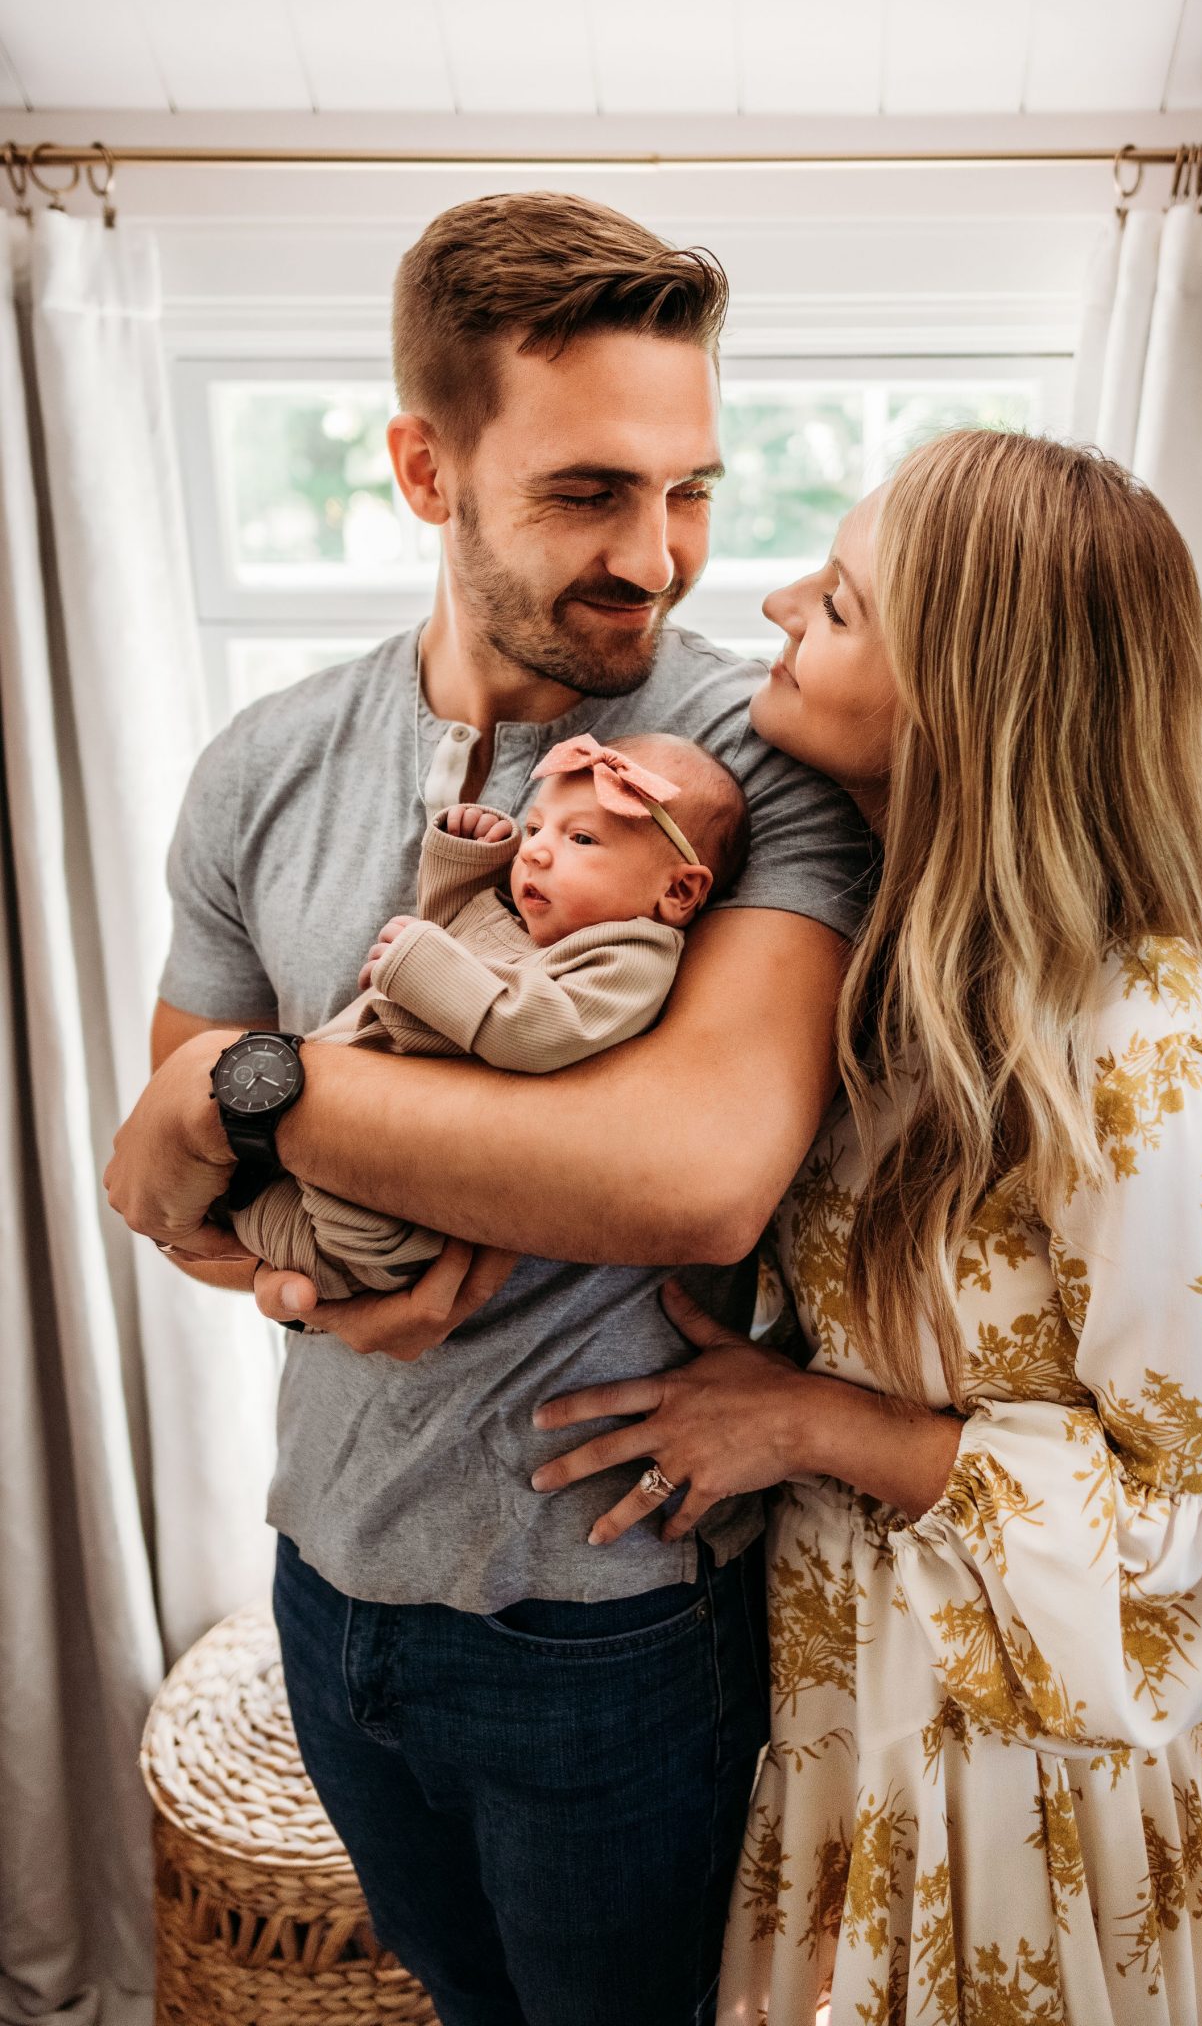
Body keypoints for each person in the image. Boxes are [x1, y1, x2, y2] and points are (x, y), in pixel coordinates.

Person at [104, 191, 870, 2026]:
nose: (657, 557)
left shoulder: (755, 764)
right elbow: (162, 1185)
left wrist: (256, 1083)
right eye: (588, 491)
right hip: (326, 1578)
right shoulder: (263, 766)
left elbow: (692, 1175)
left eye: (688, 489)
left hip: (608, 1616)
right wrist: (298, 1282)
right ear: (424, 469)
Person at [530, 430, 1202, 2024]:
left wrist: (814, 1422)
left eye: (840, 605)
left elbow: (1190, 1533)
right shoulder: (877, 954)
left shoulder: (1142, 1045)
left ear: (962, 704)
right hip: (835, 1719)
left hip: (1018, 1800)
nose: (774, 604)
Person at [231, 730, 749, 1300]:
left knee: (277, 1215)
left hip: (378, 1210)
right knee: (236, 1195)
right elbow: (457, 942)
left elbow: (534, 1030)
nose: (534, 852)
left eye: (580, 837)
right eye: (535, 828)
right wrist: (464, 863)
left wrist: (419, 961)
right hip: (324, 1124)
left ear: (678, 891)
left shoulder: (631, 958)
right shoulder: (530, 925)